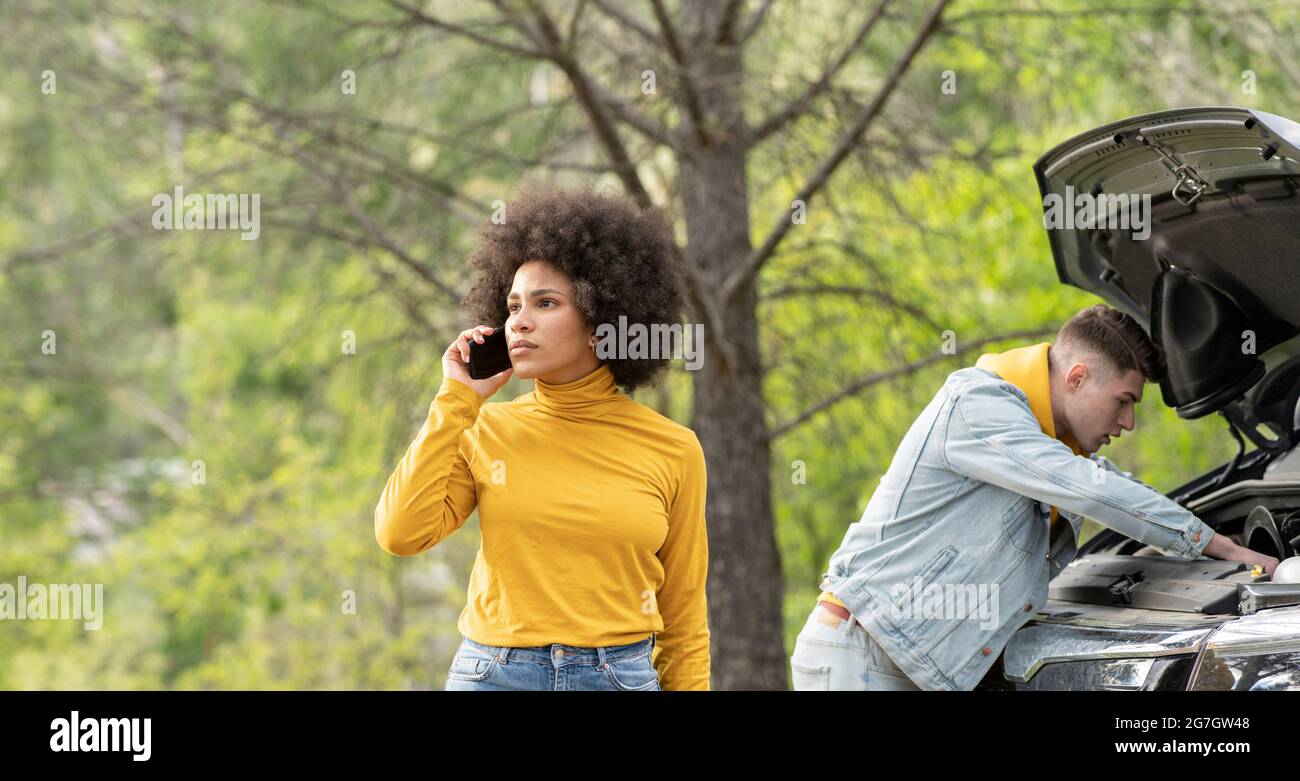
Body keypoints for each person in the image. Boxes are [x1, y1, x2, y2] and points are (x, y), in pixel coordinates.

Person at [791, 304, 1279, 691]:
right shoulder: (978, 407)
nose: (1128, 423)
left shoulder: (1048, 447)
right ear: (1077, 378)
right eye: (1124, 402)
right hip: (861, 656)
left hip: (910, 664)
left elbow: (1121, 489)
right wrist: (1230, 550)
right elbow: (1094, 491)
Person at [375, 183, 710, 691]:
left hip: (618, 678)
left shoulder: (673, 449)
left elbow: (684, 618)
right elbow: (400, 533)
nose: (519, 323)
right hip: (493, 675)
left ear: (603, 319)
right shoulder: (483, 427)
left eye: (545, 303)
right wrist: (456, 399)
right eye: (511, 307)